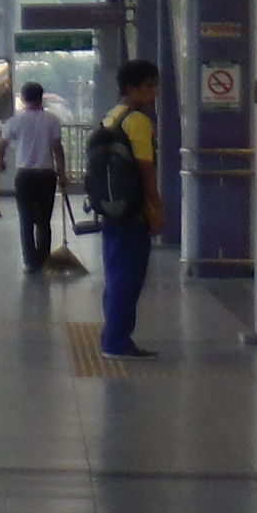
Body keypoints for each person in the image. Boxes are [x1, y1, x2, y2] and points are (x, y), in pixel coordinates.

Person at [90, 59, 164, 357]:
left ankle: (113, 335)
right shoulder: (137, 121)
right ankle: (117, 341)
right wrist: (157, 210)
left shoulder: (112, 117)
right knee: (128, 278)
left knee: (116, 274)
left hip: (111, 209)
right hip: (133, 211)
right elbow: (146, 170)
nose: (154, 93)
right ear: (131, 88)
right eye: (149, 87)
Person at [3, 81, 64, 271]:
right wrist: (62, 172)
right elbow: (57, 149)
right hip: (47, 175)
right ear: (42, 97)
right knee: (44, 221)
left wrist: (0, 163)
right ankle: (44, 258)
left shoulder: (15, 121)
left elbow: (1, 147)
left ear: (22, 98)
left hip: (25, 176)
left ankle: (30, 262)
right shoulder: (52, 120)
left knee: (26, 220)